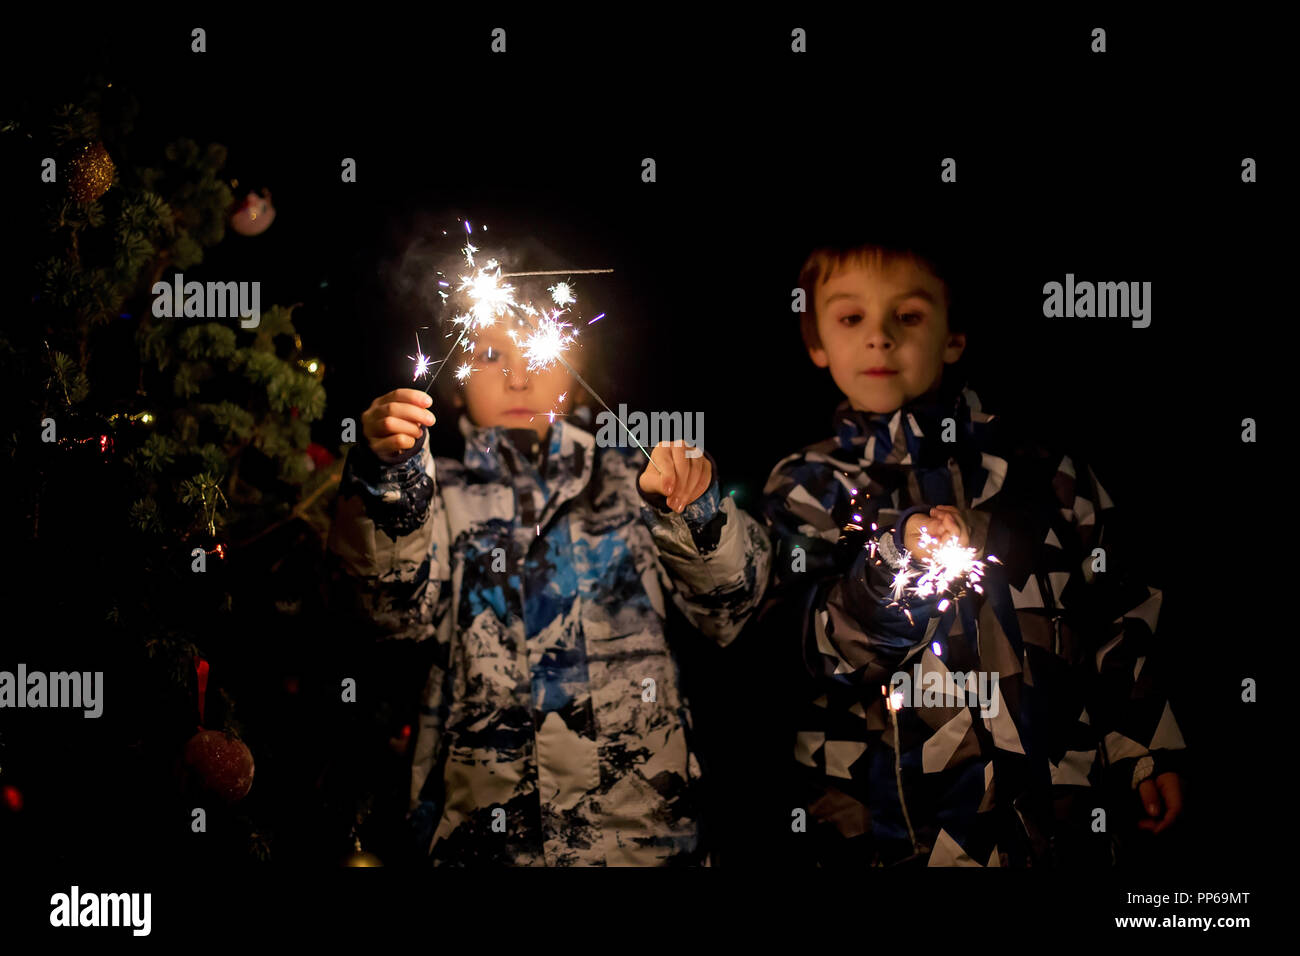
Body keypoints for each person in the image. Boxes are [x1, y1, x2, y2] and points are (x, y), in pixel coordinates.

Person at [757, 238, 1186, 866]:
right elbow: (803, 652)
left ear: (953, 337)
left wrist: (1143, 746)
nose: (879, 338)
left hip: (1056, 821)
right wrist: (890, 564)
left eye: (907, 316)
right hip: (886, 834)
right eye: (851, 318)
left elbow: (1120, 613)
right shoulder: (808, 489)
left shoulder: (1045, 478)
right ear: (816, 342)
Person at [326, 263, 771, 865]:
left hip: (643, 840)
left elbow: (729, 612)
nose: (517, 377)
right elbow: (388, 616)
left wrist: (696, 509)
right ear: (454, 377)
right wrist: (390, 483)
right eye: (489, 354)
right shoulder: (440, 493)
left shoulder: (634, 484)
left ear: (576, 360)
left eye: (538, 348)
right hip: (483, 842)